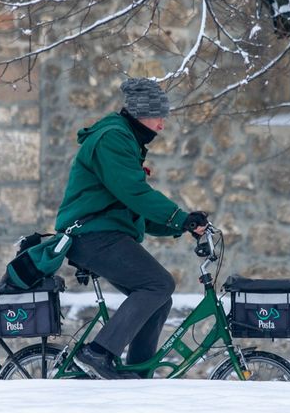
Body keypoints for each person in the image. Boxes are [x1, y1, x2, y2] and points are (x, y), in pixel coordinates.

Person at [56, 77, 208, 379]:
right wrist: (178, 216)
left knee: (159, 297)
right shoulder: (113, 139)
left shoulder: (125, 140)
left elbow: (134, 207)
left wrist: (182, 225)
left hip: (103, 232)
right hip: (92, 233)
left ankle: (138, 375)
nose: (162, 125)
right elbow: (135, 193)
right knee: (158, 284)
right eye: (158, 117)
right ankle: (98, 353)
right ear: (141, 114)